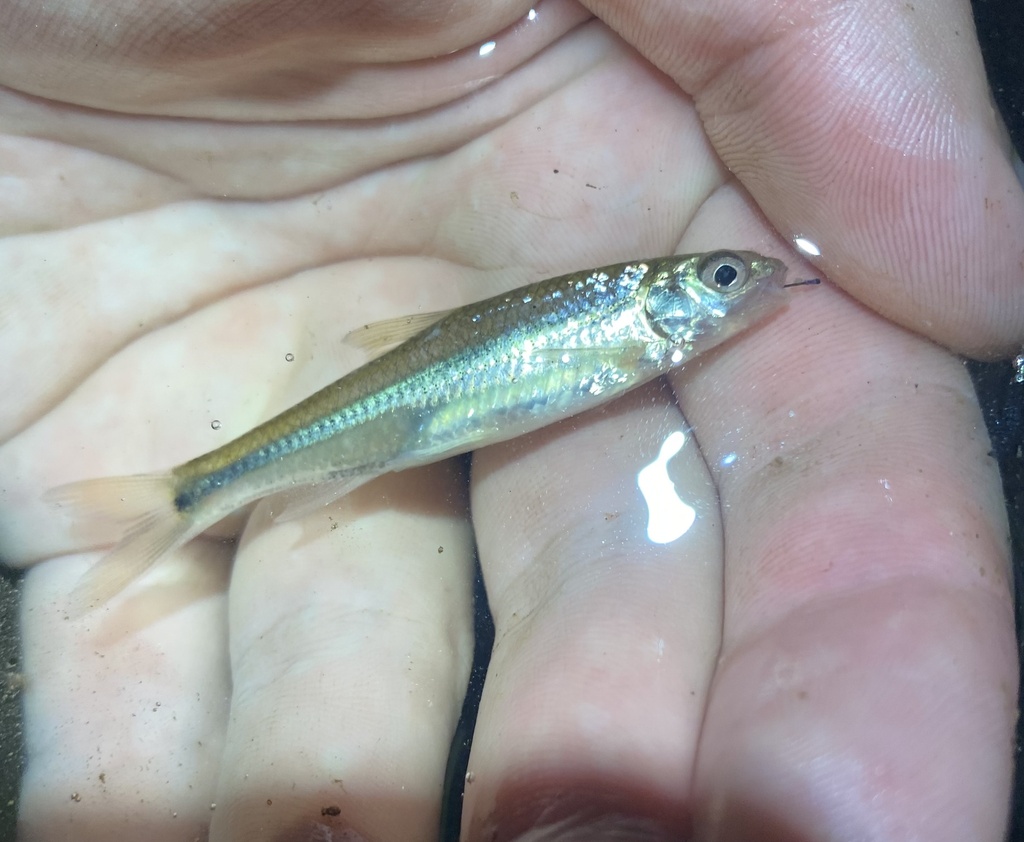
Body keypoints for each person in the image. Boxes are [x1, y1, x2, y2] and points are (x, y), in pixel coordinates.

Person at [1, 0, 1021, 839]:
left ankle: (191, 493)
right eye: (719, 279)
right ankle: (190, 492)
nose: (741, 283)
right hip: (402, 406)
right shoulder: (633, 323)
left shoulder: (646, 321)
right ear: (664, 303)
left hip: (417, 400)